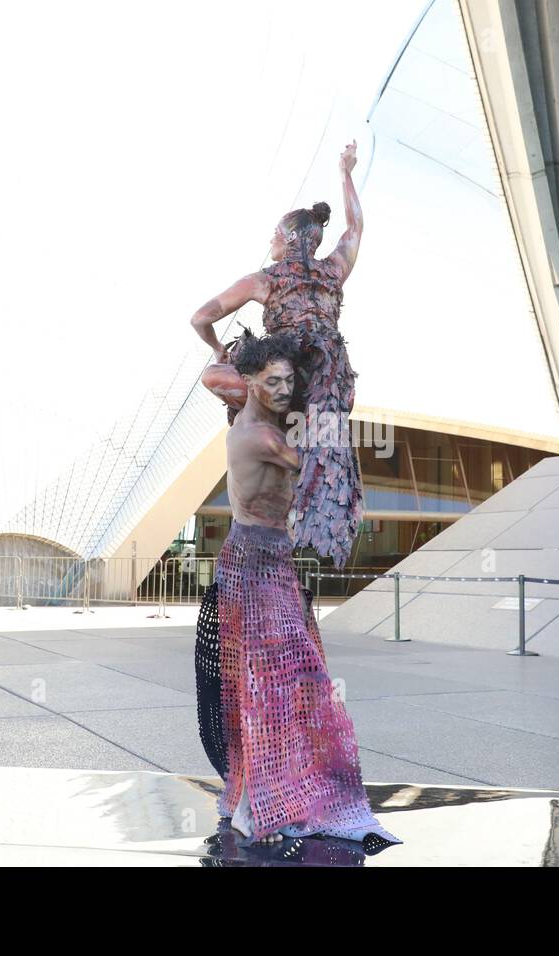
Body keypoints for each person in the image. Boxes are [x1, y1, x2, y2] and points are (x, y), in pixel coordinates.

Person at [198, 330, 399, 849]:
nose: (285, 389)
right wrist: (328, 403)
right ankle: (258, 803)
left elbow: (210, 374)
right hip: (253, 562)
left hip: (270, 559)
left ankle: (256, 800)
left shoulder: (252, 407)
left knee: (276, 679)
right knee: (277, 678)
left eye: (290, 379)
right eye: (274, 381)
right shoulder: (264, 438)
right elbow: (316, 467)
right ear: (251, 384)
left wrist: (223, 356)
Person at [190, 139, 365, 568]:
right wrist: (346, 173)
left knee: (214, 377)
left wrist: (218, 350)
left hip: (284, 379)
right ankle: (289, 432)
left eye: (274, 233)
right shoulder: (334, 270)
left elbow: (201, 316)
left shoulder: (265, 279)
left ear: (287, 239)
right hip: (330, 386)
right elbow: (355, 228)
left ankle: (266, 416)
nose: (270, 239)